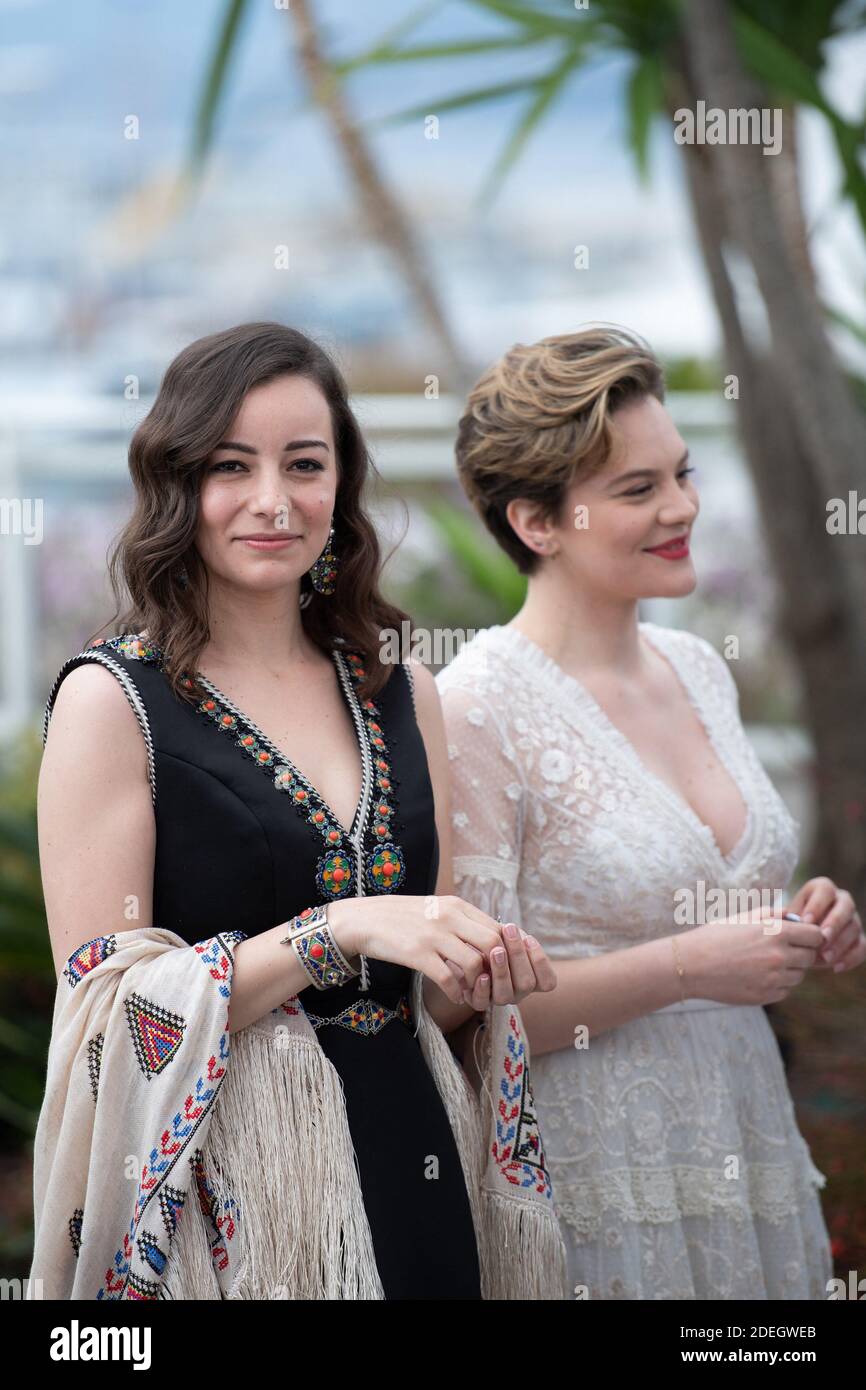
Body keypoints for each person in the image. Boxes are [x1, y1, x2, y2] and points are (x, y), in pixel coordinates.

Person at [29, 321, 566, 1301]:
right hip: (229, 1203)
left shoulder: (402, 690)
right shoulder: (114, 701)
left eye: (304, 464)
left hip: (416, 1155)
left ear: (341, 488)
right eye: (231, 465)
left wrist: (482, 975)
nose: (272, 500)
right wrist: (331, 928)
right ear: (176, 483)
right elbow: (110, 1023)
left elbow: (423, 997)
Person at [435, 325, 865, 1300]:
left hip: (746, 1141)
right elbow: (462, 1009)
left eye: (680, 472)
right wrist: (686, 965)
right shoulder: (475, 706)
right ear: (537, 523)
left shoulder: (698, 668)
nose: (681, 507)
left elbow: (700, 896)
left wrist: (801, 920)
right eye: (636, 490)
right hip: (596, 1178)